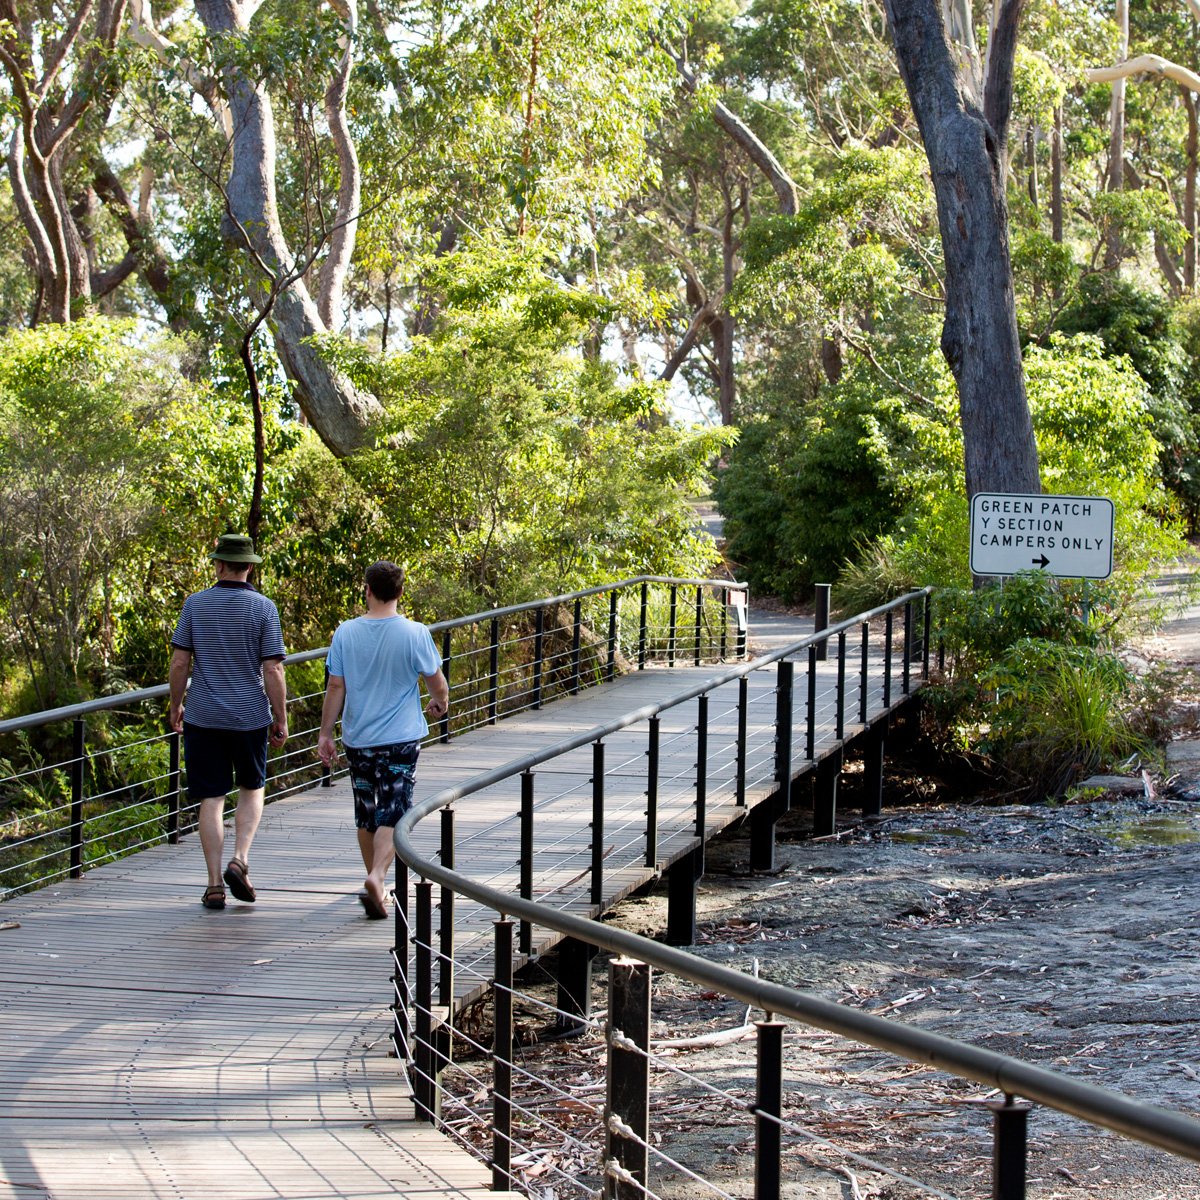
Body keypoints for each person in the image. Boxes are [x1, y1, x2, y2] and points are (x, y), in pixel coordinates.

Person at [317, 561, 449, 919]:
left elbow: (335, 686)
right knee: (395, 808)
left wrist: (326, 732)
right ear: (401, 592)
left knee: (367, 812)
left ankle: (375, 884)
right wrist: (441, 701)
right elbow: (435, 679)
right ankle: (377, 878)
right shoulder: (415, 633)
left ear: (368, 590)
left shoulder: (345, 632)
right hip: (401, 738)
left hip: (358, 737)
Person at [168, 533, 288, 910]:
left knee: (212, 797)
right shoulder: (264, 608)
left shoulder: (195, 605)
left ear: (219, 565)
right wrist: (280, 716)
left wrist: (176, 705)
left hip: (203, 716)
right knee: (252, 787)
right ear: (249, 567)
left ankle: (214, 883)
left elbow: (179, 663)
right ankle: (241, 858)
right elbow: (273, 668)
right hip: (250, 716)